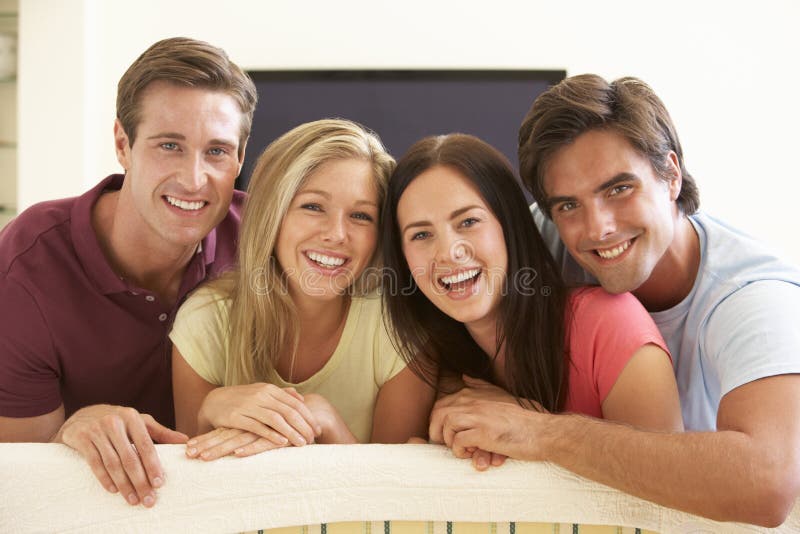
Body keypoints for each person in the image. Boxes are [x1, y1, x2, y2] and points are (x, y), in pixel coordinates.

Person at [431, 74, 800, 526]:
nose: (597, 227)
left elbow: (767, 484)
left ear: (671, 176)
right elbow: (435, 305)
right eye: (568, 205)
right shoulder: (546, 242)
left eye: (619, 189)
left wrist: (542, 431)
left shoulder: (755, 299)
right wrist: (455, 389)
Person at [0, 37, 257, 508]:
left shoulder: (266, 240)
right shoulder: (29, 266)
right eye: (169, 145)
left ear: (240, 159)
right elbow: (19, 485)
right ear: (123, 143)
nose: (194, 178)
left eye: (217, 151)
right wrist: (71, 430)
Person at [381, 133, 683, 470]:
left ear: (509, 225)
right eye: (421, 235)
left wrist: (534, 428)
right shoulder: (430, 363)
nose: (449, 252)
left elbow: (668, 486)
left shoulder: (610, 324)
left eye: (468, 222)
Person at [170, 119, 435, 460]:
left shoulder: (401, 326)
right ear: (272, 215)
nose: (337, 234)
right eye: (313, 207)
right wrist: (207, 412)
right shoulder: (206, 320)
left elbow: (393, 501)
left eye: (361, 216)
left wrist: (326, 423)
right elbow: (192, 493)